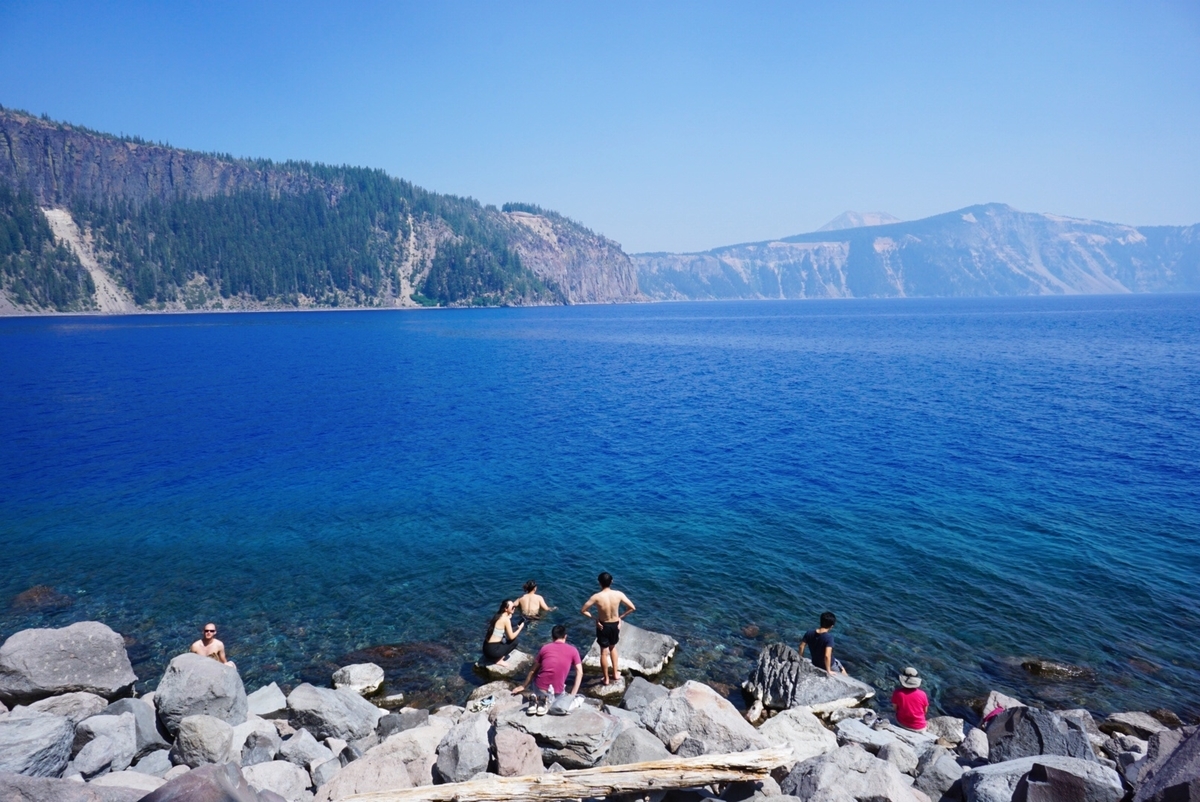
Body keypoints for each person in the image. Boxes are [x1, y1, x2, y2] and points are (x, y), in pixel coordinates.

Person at [510, 624, 583, 715]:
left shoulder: (545, 648)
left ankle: (537, 699)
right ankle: (546, 702)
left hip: (539, 689)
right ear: (565, 636)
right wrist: (572, 695)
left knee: (538, 675)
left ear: (552, 637)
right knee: (574, 697)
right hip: (557, 693)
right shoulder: (573, 650)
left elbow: (533, 670)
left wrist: (523, 686)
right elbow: (580, 672)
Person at [580, 571, 636, 686]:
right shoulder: (619, 594)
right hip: (615, 625)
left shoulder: (596, 597)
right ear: (612, 582)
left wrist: (595, 618)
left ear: (599, 583)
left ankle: (605, 679)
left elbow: (583, 610)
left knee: (603, 653)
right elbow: (632, 608)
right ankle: (615, 674)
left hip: (602, 625)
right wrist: (620, 617)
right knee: (613, 648)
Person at [799, 611, 847, 676]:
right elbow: (827, 656)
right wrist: (828, 670)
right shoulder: (829, 638)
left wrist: (801, 658)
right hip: (829, 665)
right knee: (841, 668)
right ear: (831, 626)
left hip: (815, 662)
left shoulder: (809, 633)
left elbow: (801, 646)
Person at [482, 599, 525, 666]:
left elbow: (501, 627)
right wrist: (520, 629)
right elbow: (511, 637)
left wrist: (509, 617)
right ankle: (499, 660)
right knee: (515, 641)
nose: (514, 608)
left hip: (486, 649)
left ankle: (495, 657)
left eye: (514, 607)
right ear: (506, 609)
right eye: (512, 607)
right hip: (493, 652)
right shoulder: (506, 619)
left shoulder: (497, 616)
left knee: (512, 630)